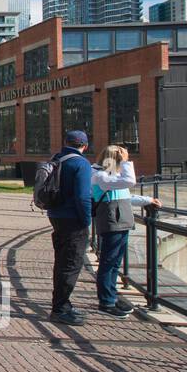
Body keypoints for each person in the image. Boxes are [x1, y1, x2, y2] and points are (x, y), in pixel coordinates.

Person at [91, 145, 160, 318]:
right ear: (116, 160)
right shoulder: (100, 176)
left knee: (115, 262)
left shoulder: (112, 176)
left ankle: (111, 296)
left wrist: (147, 200)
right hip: (112, 221)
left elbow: (126, 196)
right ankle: (106, 301)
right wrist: (127, 161)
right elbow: (130, 181)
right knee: (108, 261)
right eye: (121, 160)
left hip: (121, 221)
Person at [45, 130, 94, 326]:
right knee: (71, 264)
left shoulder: (57, 159)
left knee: (62, 262)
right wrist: (87, 220)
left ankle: (63, 304)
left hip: (55, 216)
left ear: (65, 142)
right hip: (73, 219)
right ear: (85, 145)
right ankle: (60, 308)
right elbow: (83, 196)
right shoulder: (80, 163)